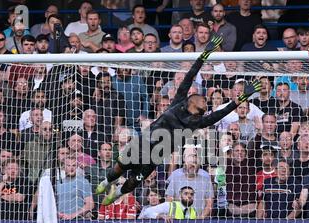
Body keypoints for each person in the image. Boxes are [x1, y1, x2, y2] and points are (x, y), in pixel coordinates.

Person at [97, 35, 261, 205]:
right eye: (204, 99)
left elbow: (222, 112)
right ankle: (105, 182)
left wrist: (242, 97)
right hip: (142, 144)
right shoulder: (178, 102)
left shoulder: (198, 122)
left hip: (155, 156)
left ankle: (116, 193)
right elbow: (190, 75)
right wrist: (205, 54)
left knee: (133, 181)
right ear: (193, 99)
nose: (207, 101)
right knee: (120, 166)